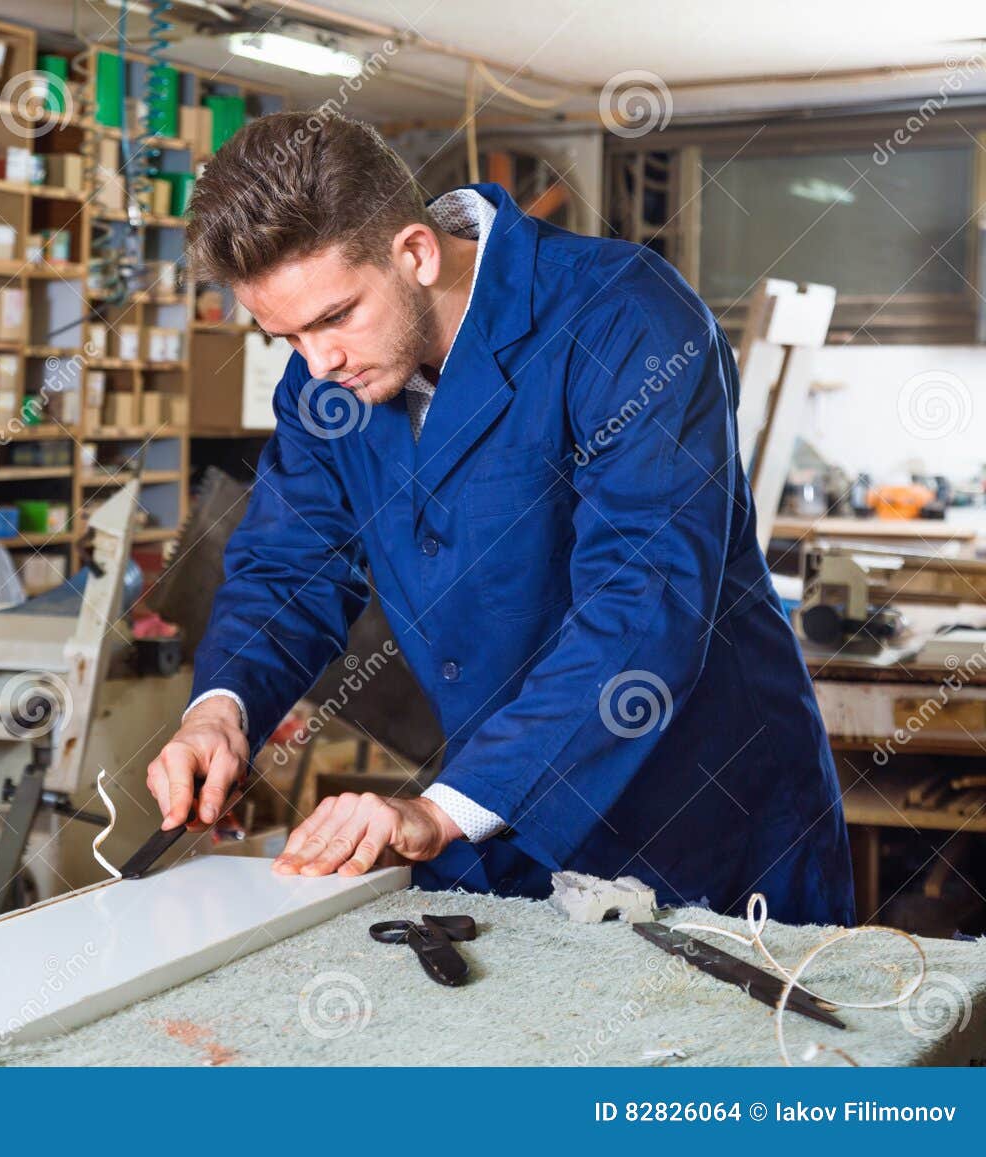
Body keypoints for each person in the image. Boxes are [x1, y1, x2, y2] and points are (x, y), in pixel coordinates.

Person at [145, 112, 854, 925]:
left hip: (705, 820)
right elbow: (289, 566)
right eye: (285, 335)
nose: (317, 362)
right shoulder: (326, 382)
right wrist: (221, 710)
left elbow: (644, 604)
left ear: (415, 252)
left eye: (335, 316)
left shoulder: (625, 319)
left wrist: (442, 810)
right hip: (505, 819)